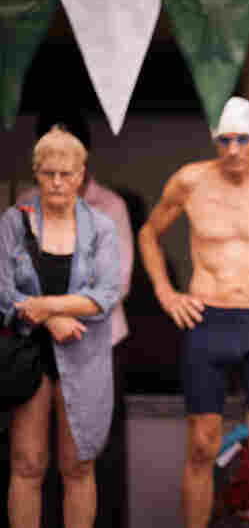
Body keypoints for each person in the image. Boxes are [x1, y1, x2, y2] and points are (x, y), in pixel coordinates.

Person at [138, 96, 249, 528]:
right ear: (216, 141)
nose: (233, 149)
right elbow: (148, 233)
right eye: (225, 140)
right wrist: (165, 292)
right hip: (208, 319)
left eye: (242, 140)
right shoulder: (190, 182)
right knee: (202, 443)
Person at [16, 110, 136, 528]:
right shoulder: (20, 215)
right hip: (31, 348)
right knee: (28, 462)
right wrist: (50, 318)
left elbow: (114, 285)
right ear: (37, 167)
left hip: (91, 346)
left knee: (81, 462)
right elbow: (6, 285)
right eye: (48, 170)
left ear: (83, 165)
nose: (58, 180)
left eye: (66, 170)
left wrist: (49, 306)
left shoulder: (106, 216)